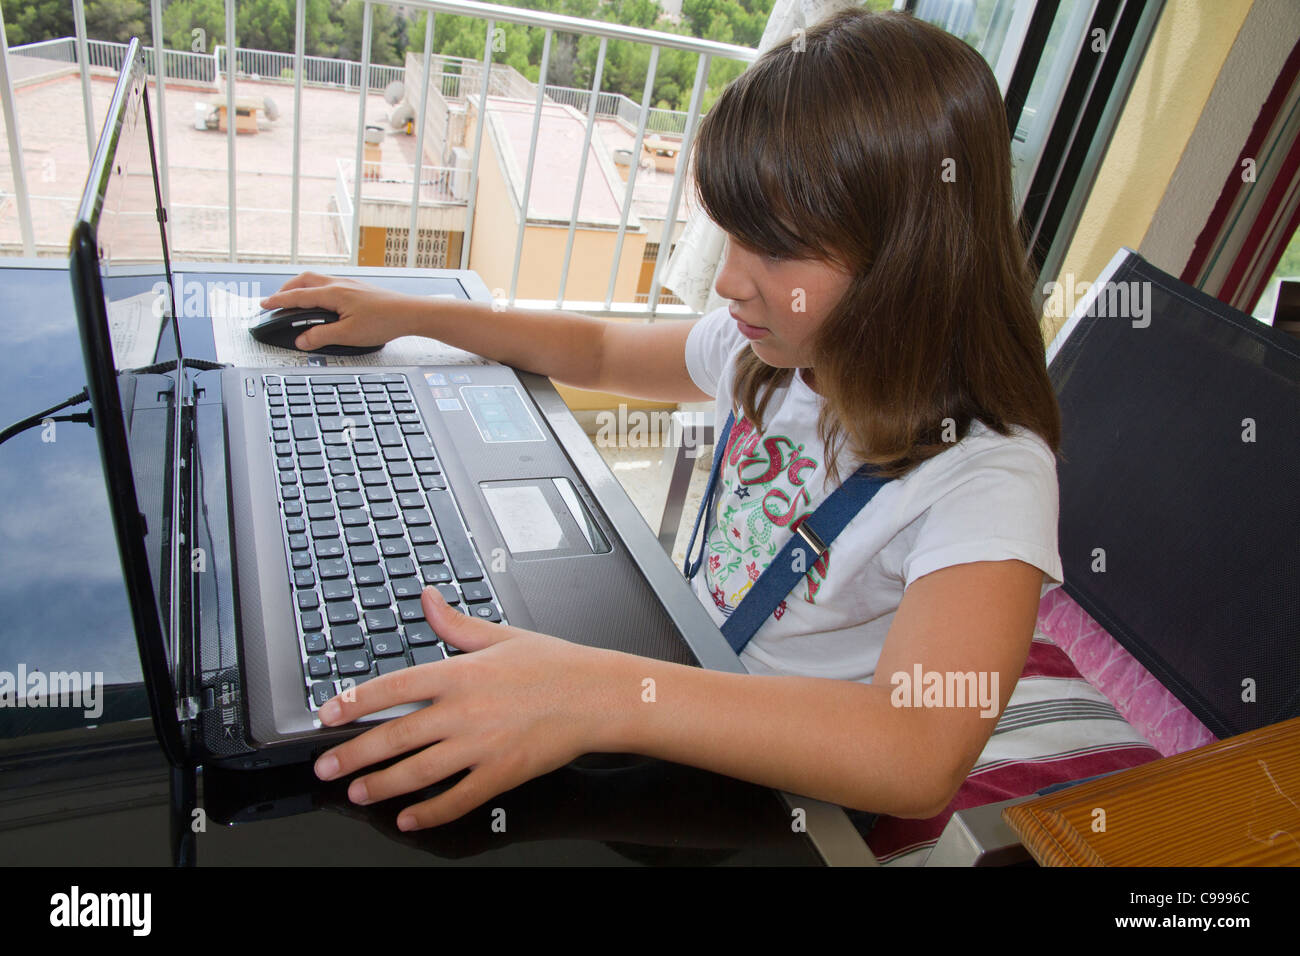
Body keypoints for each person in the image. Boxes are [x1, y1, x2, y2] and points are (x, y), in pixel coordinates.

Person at [258, 6, 1063, 833]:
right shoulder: (769, 354)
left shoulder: (989, 474)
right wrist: (412, 315)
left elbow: (917, 754)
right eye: (732, 236)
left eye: (776, 247)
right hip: (685, 688)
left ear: (910, 254)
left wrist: (598, 694)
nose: (729, 283)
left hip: (794, 795)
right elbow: (602, 349)